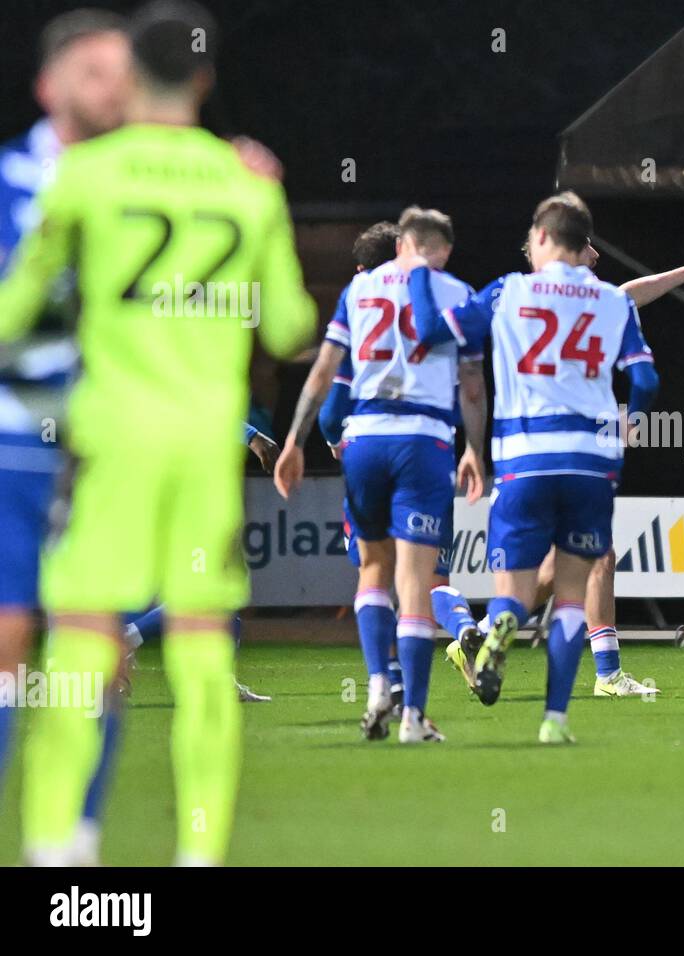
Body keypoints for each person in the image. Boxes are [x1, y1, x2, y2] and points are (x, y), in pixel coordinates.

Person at [0, 0, 316, 866]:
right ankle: (200, 854)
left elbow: (13, 315)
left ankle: (58, 849)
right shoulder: (244, 184)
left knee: (81, 640)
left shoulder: (89, 178)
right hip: (204, 451)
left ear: (132, 76)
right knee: (207, 656)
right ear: (205, 78)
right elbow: (289, 328)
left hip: (109, 446)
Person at [445, 242, 684, 698]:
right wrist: (633, 421)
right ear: (562, 247)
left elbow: (627, 295)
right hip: (569, 453)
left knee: (572, 563)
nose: (596, 255)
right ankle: (604, 674)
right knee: (592, 556)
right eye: (586, 245)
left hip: (523, 455)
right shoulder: (566, 301)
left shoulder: (518, 296)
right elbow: (635, 339)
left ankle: (481, 634)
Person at [431, 191, 658, 743]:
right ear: (585, 245)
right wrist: (623, 432)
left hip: (524, 461)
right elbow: (646, 381)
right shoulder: (612, 301)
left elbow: (439, 330)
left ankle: (501, 623)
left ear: (538, 237)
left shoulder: (508, 291)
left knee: (515, 587)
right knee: (573, 597)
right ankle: (555, 721)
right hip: (588, 463)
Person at [275, 207, 486, 743]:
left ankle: (376, 686)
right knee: (416, 583)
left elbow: (323, 371)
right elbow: (472, 385)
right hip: (423, 441)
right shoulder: (458, 292)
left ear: (401, 244)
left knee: (372, 569)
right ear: (445, 249)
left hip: (365, 438)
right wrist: (476, 451)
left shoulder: (359, 291)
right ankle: (413, 716)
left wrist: (295, 441)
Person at [0, 4, 129, 825]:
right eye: (94, 72)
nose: (113, 89)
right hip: (12, 439)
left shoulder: (149, 185)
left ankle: (71, 846)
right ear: (51, 86)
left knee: (100, 650)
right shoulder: (11, 179)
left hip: (106, 449)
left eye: (123, 73)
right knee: (9, 643)